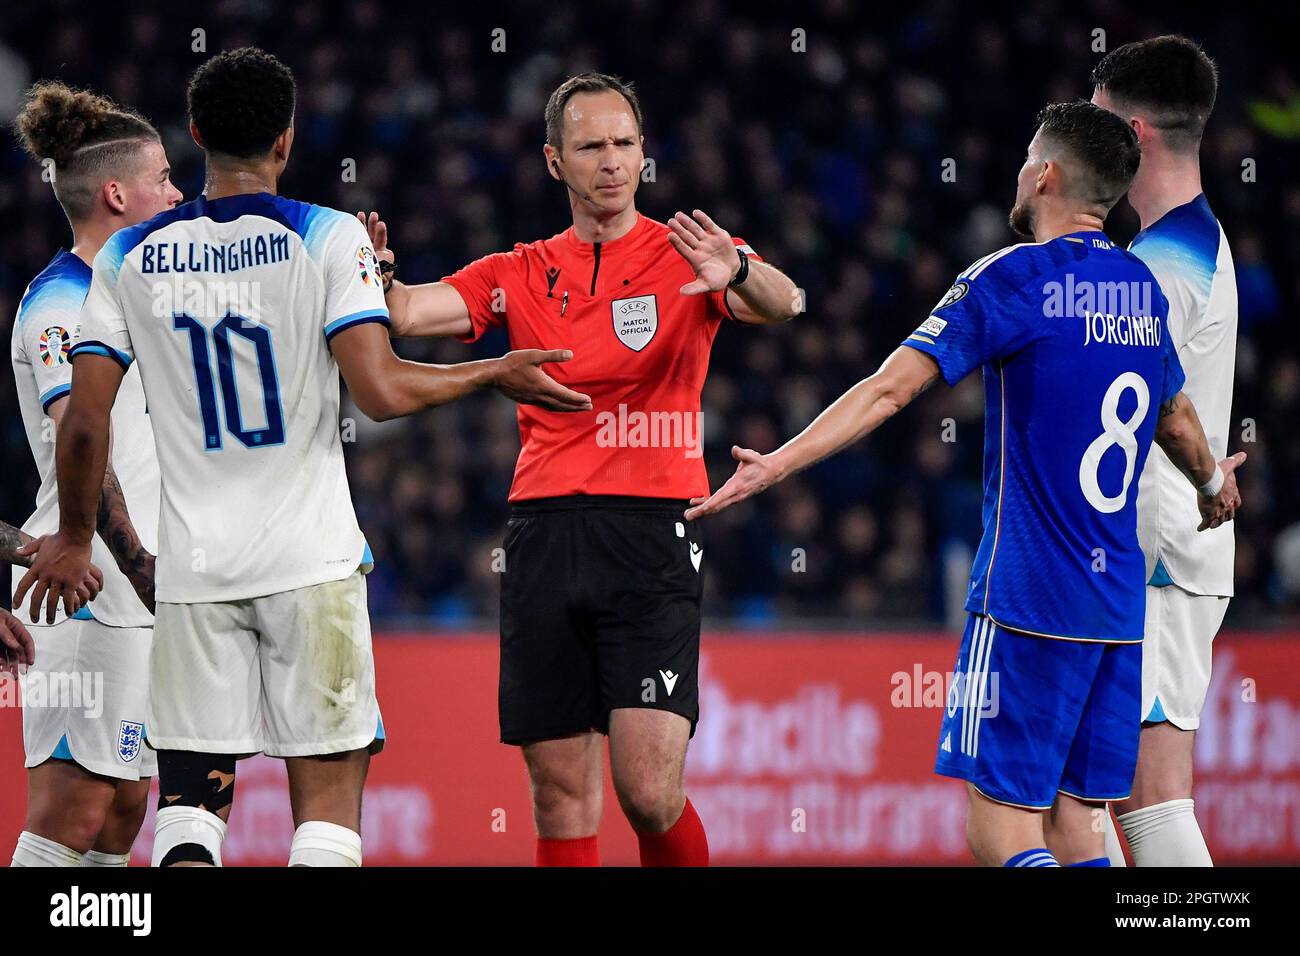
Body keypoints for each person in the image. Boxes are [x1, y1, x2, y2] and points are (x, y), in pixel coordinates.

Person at [16, 47, 590, 868]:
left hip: (192, 576)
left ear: (196, 135)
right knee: (324, 809)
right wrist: (492, 371)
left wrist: (76, 534)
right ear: (286, 140)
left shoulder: (126, 258)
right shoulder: (328, 236)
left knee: (187, 808)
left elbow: (84, 424)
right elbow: (382, 390)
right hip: (309, 563)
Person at [685, 102, 1244, 867]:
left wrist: (779, 463)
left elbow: (889, 389)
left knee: (999, 831)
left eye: (1025, 157)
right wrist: (1214, 481)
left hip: (1027, 596)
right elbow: (1177, 417)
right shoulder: (1141, 292)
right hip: (1116, 609)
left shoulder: (1012, 276)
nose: (1019, 171)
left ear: (1045, 175)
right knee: (1079, 824)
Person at [364, 71, 802, 866]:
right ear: (553, 161)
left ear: (644, 155)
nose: (611, 162)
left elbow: (786, 300)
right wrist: (380, 275)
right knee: (559, 796)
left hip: (652, 534)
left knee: (648, 790)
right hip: (543, 533)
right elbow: (405, 315)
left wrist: (736, 272)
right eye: (591, 146)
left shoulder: (690, 252)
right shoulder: (518, 270)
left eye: (625, 144)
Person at [5, 81, 177, 867]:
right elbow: (82, 438)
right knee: (71, 815)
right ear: (117, 193)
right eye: (165, 179)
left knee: (123, 812)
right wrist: (130, 560)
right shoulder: (60, 307)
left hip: (137, 592)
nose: (178, 194)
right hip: (82, 585)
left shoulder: (136, 298)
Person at [1092, 35, 1235, 867]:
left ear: (1135, 134)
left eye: (1100, 123)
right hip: (1160, 548)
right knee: (1118, 794)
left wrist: (1208, 472)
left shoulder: (1164, 266)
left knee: (1151, 797)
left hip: (1159, 553)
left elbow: (1156, 407)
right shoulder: (1172, 248)